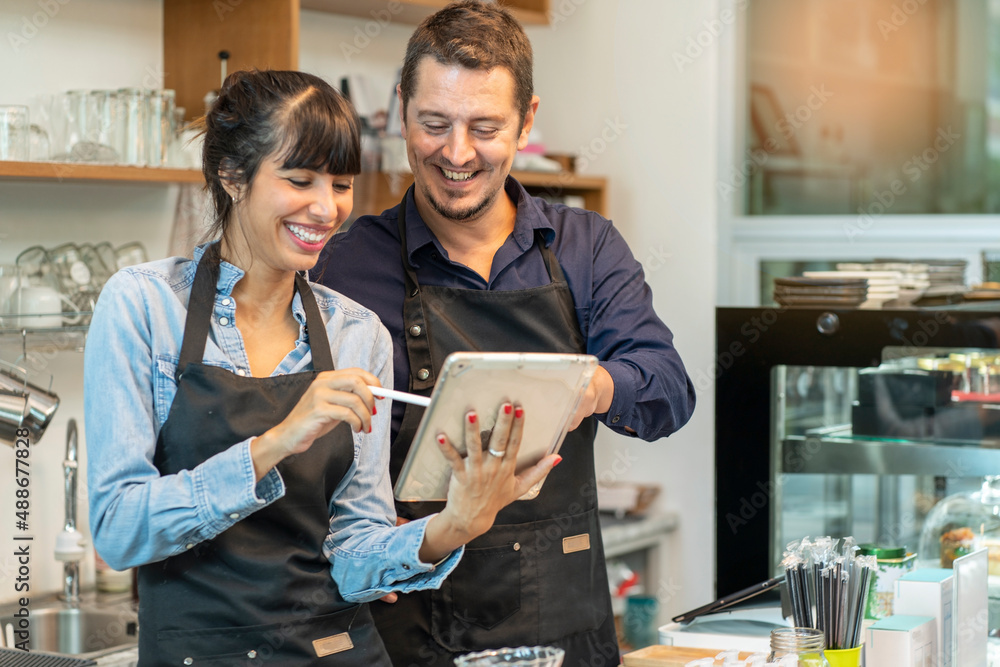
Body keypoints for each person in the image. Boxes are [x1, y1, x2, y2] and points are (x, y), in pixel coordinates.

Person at [83, 69, 558, 666]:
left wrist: (458, 523)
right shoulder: (144, 306)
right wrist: (274, 443)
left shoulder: (356, 333)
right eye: (300, 180)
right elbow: (119, 528)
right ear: (233, 176)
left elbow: (356, 552)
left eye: (340, 184)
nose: (325, 207)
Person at [314, 2, 697, 664]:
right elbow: (308, 446)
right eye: (434, 123)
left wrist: (593, 386)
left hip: (564, 623)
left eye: (484, 126)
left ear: (527, 122)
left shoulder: (585, 247)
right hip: (413, 631)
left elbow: (669, 391)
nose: (456, 153)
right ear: (401, 109)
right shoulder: (347, 264)